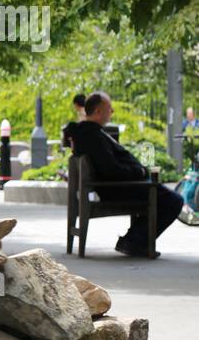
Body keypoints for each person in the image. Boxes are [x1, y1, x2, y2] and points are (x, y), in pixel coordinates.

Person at [68, 91, 184, 257]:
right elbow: (111, 170)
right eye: (109, 108)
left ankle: (133, 239)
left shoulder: (90, 132)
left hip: (119, 185)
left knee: (164, 196)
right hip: (119, 187)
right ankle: (134, 241)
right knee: (174, 200)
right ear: (98, 111)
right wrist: (140, 171)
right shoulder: (92, 135)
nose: (112, 112)